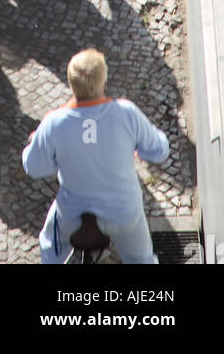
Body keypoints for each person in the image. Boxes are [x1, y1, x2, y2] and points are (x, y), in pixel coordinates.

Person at [22, 48, 169, 265]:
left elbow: (33, 167)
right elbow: (160, 151)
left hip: (73, 216)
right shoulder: (126, 113)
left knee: (49, 246)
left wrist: (40, 145)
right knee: (143, 260)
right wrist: (140, 148)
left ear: (71, 84)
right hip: (123, 214)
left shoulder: (54, 123)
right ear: (104, 81)